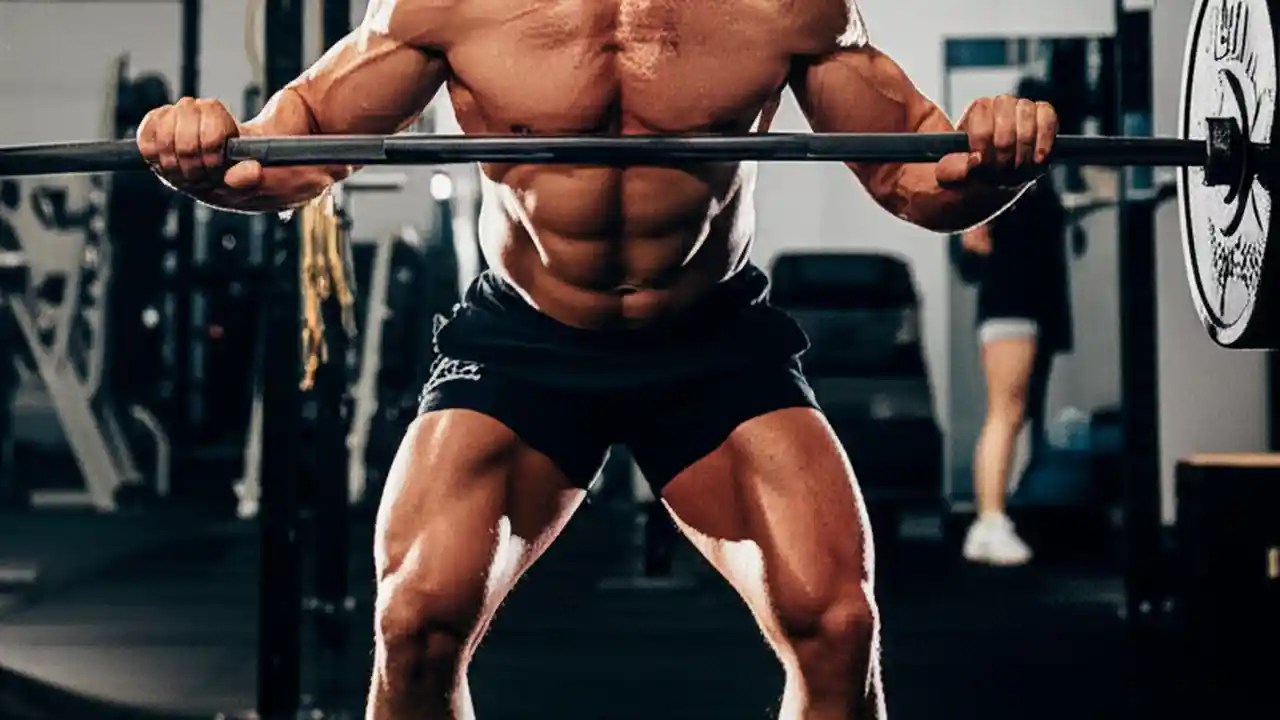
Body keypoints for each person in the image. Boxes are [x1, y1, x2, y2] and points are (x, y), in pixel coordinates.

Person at [137, 1, 1058, 717]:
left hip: (710, 341)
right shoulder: (452, 4)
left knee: (838, 625)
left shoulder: (779, 6)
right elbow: (289, 147)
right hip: (524, 341)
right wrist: (206, 150)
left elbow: (915, 177)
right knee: (414, 621)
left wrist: (995, 163)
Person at [959, 83, 1072, 567]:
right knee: (1005, 412)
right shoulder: (1004, 176)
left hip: (1025, 308)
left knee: (1016, 414)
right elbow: (971, 253)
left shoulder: (1036, 179)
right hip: (1010, 307)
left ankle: (995, 518)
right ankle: (987, 523)